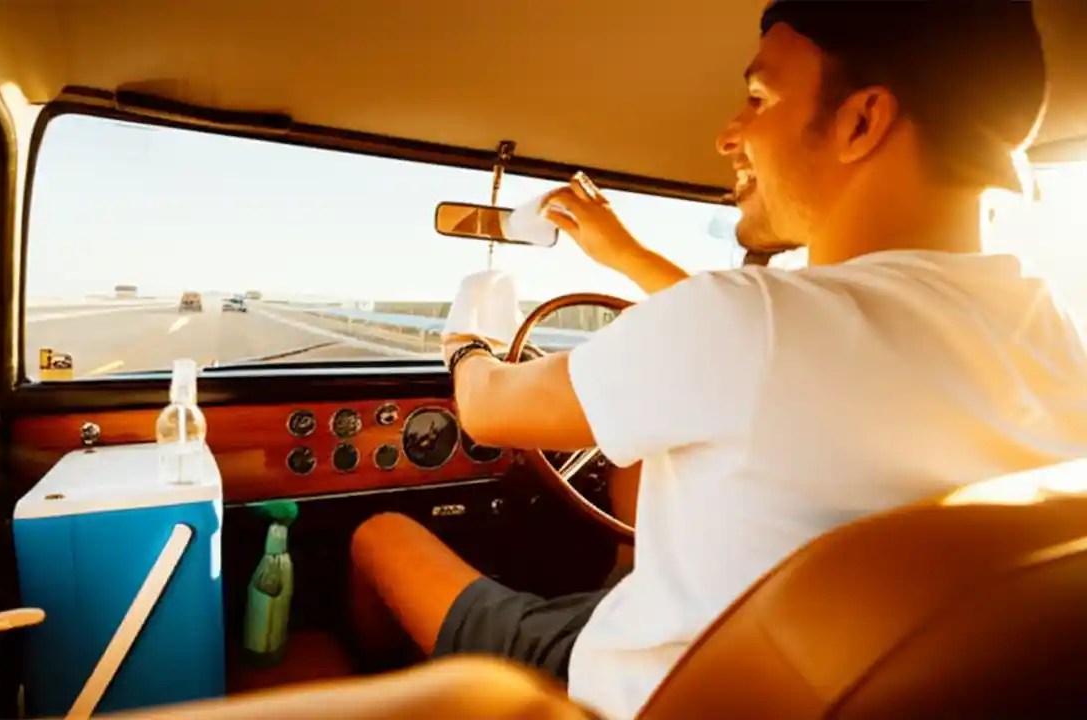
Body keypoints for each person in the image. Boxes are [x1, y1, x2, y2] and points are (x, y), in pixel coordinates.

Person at [350, 2, 1087, 718]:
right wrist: (632, 258)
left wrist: (466, 338)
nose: (728, 137)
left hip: (632, 692)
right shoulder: (1051, 335)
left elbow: (485, 407)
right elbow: (770, 337)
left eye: (758, 98)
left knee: (379, 536)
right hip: (825, 677)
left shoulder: (751, 325)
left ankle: (350, 671)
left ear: (861, 121)